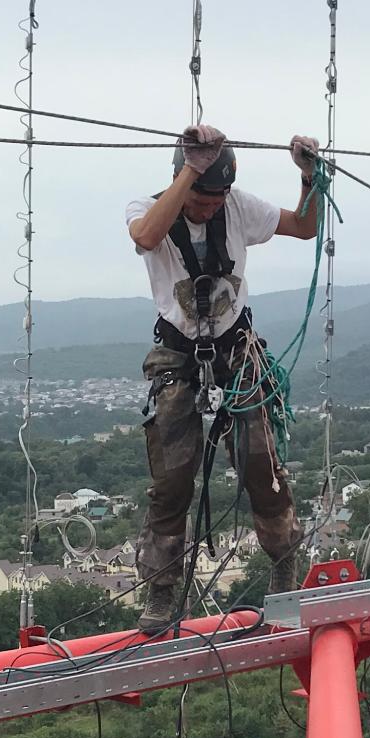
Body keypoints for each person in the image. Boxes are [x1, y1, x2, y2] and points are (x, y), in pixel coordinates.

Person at [127, 122, 321, 635]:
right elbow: (147, 236)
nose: (210, 208)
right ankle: (163, 588)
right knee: (171, 480)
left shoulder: (236, 206)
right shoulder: (150, 210)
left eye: (217, 200)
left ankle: (283, 568)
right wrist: (192, 169)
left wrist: (308, 177)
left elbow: (304, 227)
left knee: (261, 465)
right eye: (201, 199)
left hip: (236, 347)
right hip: (178, 352)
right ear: (181, 181)